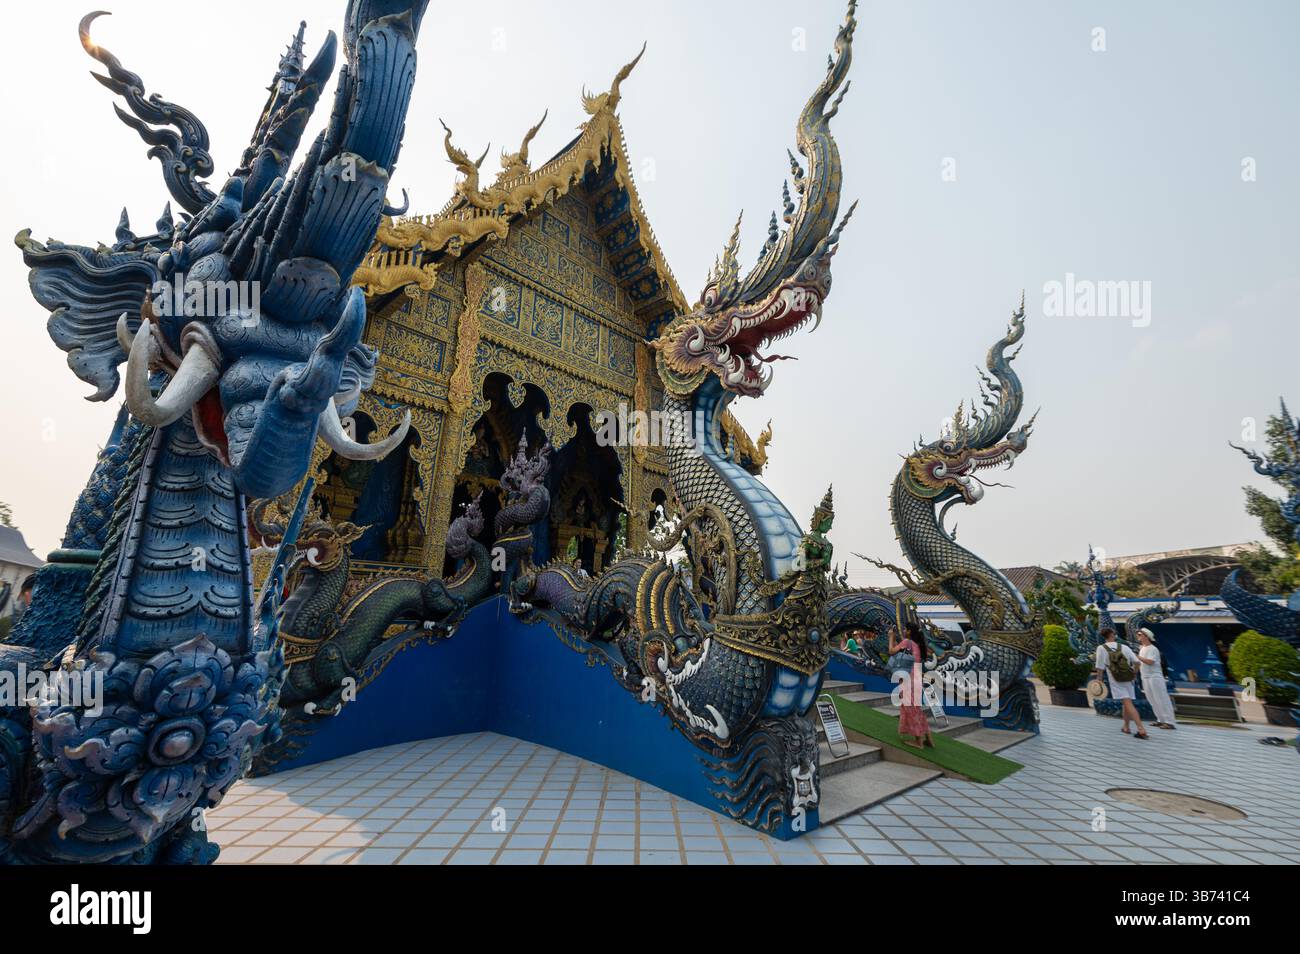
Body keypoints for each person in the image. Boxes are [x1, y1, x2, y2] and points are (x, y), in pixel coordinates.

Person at [1092, 627, 1147, 739]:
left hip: (1116, 679)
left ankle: (1141, 729)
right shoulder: (1124, 647)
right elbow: (1137, 662)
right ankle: (1126, 726)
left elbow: (1100, 668)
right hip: (1128, 678)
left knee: (1127, 703)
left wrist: (1099, 681)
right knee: (1126, 702)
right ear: (1113, 634)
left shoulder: (1101, 648)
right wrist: (1134, 674)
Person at [889, 622, 934, 748]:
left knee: (910, 708)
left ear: (909, 631)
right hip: (917, 677)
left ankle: (919, 741)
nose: (903, 630)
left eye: (905, 629)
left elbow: (891, 651)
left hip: (908, 678)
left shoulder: (907, 643)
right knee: (917, 709)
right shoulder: (919, 645)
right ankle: (928, 738)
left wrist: (891, 637)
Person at [1135, 628, 1176, 729]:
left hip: (1155, 676)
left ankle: (1169, 721)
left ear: (1146, 636)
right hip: (1145, 676)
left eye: (1140, 634)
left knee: (1161, 698)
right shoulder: (1142, 648)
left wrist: (1137, 657)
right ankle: (1160, 720)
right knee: (1152, 699)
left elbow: (1150, 662)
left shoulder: (1153, 648)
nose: (1138, 636)